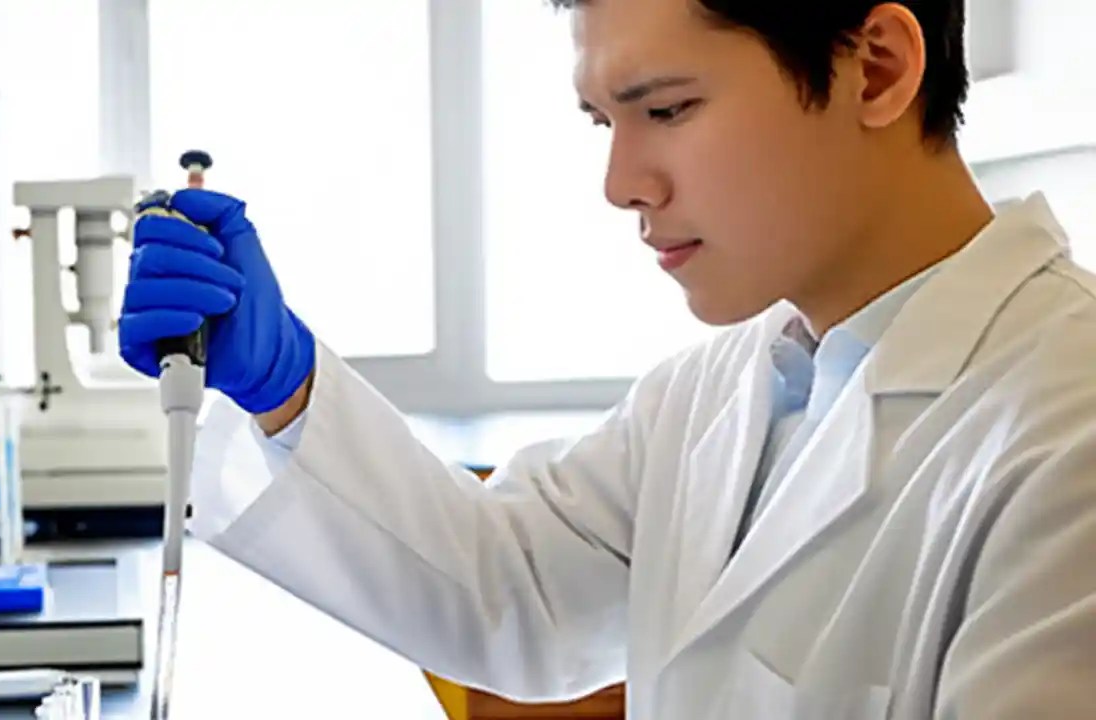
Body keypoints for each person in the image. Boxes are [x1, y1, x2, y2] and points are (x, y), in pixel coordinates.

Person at [117, 0, 1096, 717]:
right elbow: (505, 583)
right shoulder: (725, 387)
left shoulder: (1064, 432)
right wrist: (284, 386)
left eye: (665, 109)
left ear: (874, 68)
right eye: (603, 121)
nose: (620, 182)